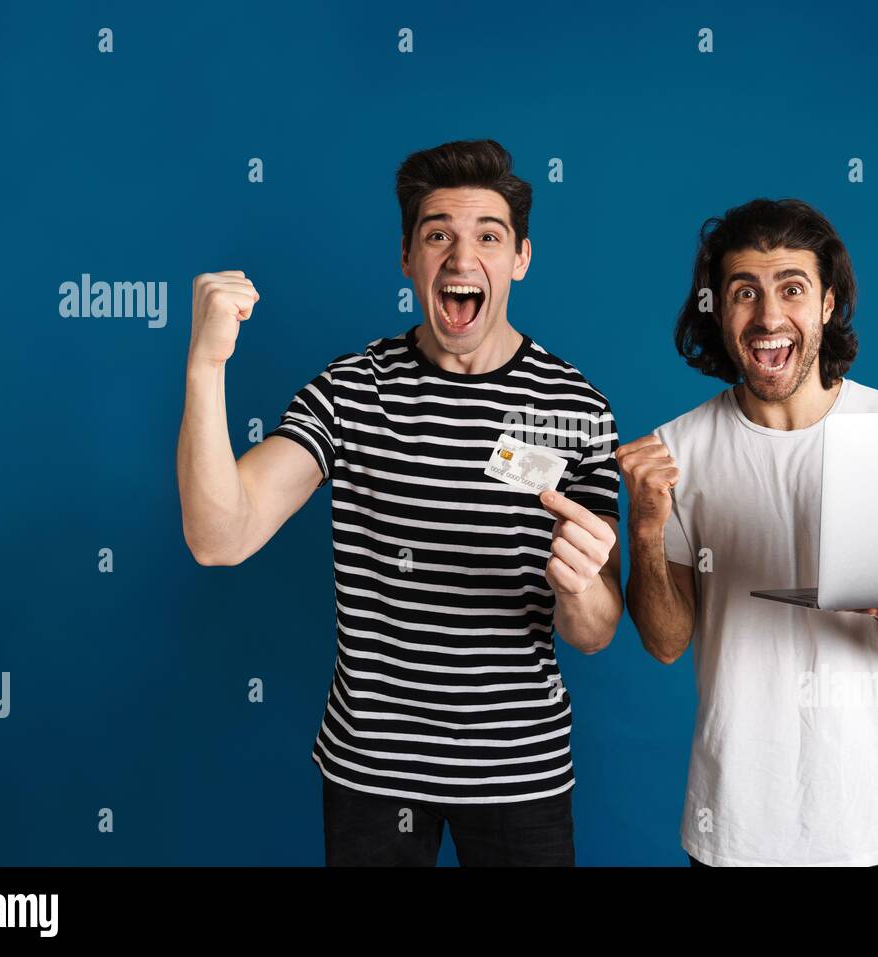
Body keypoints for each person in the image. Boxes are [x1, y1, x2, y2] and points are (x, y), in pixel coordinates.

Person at [176, 139, 622, 866]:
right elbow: (218, 536)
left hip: (519, 771)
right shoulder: (351, 391)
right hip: (373, 773)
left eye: (488, 235)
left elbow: (597, 630)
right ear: (409, 259)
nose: (460, 256)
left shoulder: (576, 407)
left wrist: (578, 585)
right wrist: (206, 365)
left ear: (521, 259)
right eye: (437, 234)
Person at [618, 198, 878, 867]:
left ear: (826, 304)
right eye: (744, 293)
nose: (768, 317)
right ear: (718, 310)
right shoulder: (676, 451)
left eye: (792, 288)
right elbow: (667, 642)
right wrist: (645, 529)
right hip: (735, 825)